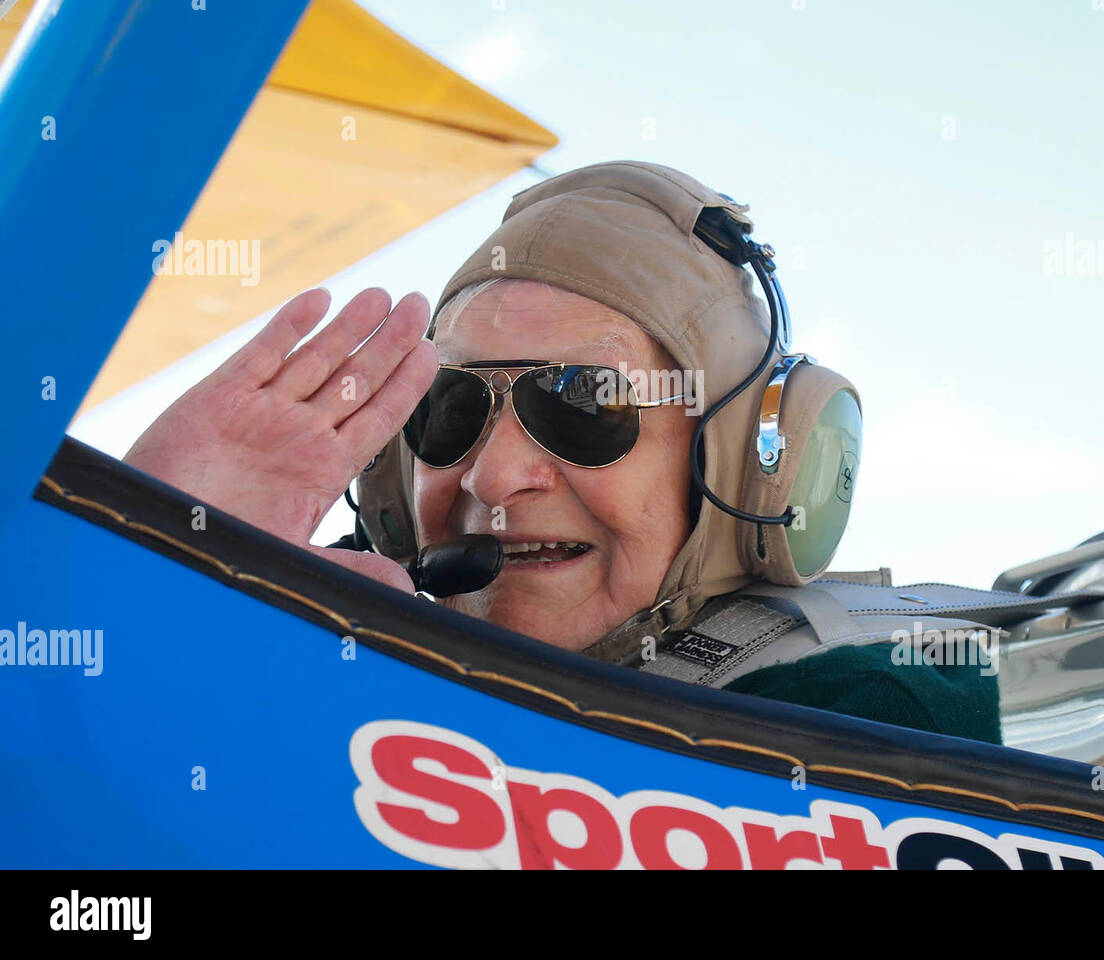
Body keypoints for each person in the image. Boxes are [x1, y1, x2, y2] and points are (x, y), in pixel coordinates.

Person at [124, 161, 1001, 743]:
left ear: (749, 465)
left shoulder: (870, 710)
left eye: (585, 401)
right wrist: (162, 585)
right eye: (448, 407)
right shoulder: (311, 614)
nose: (495, 477)